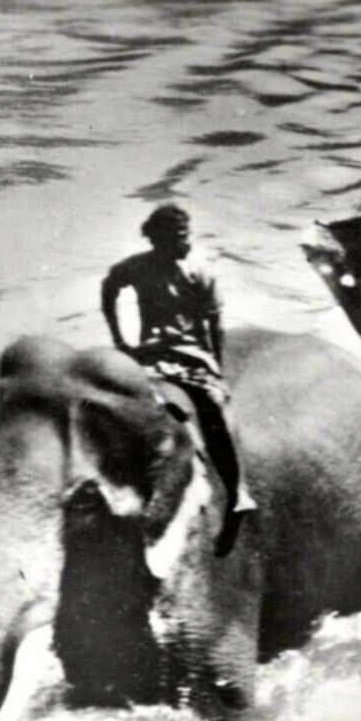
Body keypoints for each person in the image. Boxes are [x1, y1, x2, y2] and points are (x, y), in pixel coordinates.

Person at [101, 204, 254, 553]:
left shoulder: (199, 271)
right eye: (176, 236)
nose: (184, 241)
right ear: (156, 239)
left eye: (186, 235)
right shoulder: (137, 267)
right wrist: (120, 341)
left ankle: (237, 493)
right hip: (152, 355)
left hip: (188, 355)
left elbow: (214, 326)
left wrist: (216, 368)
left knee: (214, 407)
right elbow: (109, 287)